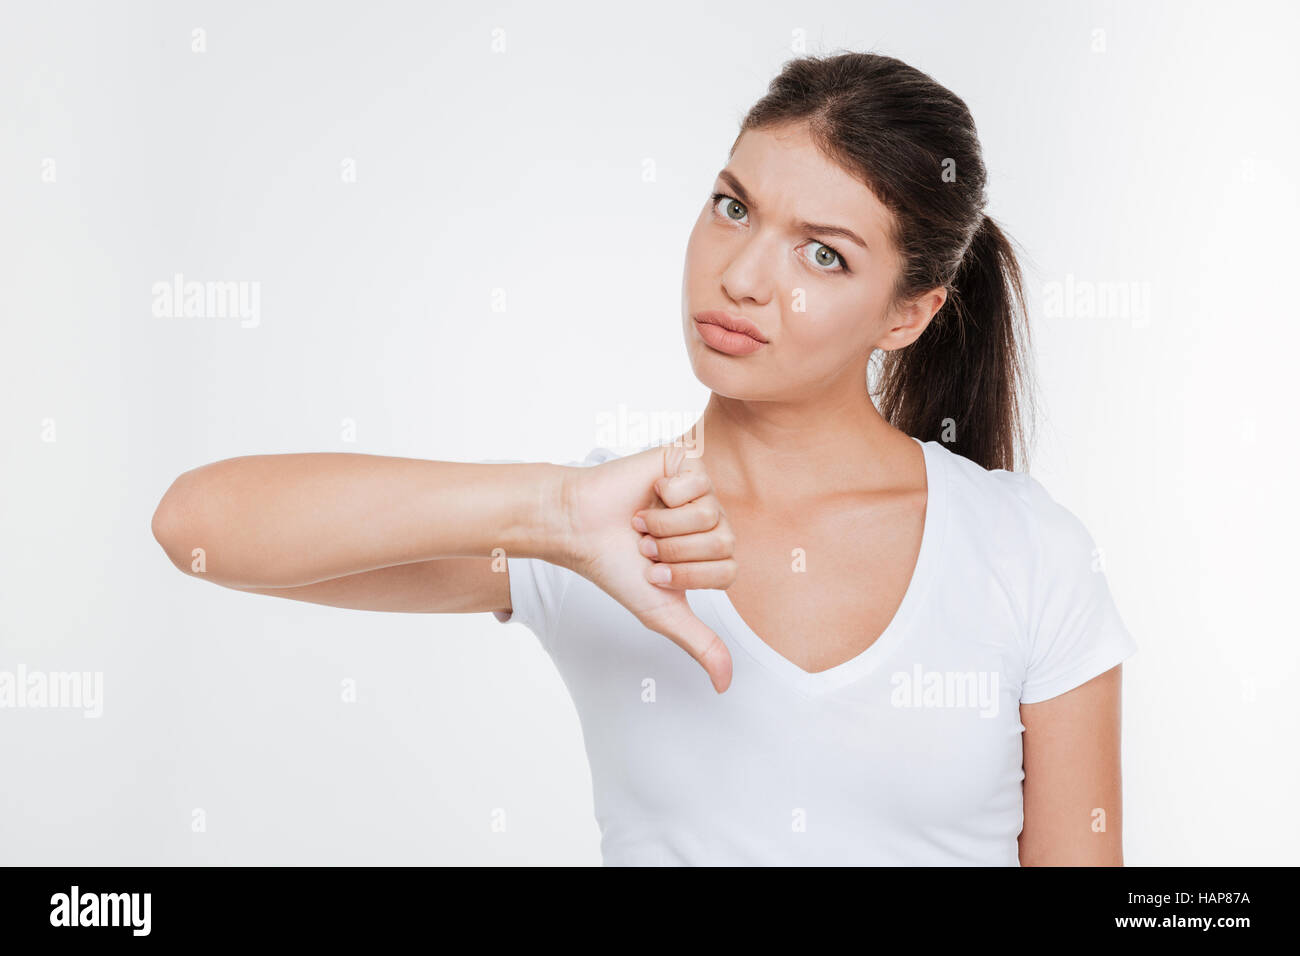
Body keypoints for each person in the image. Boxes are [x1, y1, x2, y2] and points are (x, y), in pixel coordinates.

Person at [152, 51, 1136, 866]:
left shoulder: (1025, 550)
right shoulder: (598, 527)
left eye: (822, 252)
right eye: (732, 205)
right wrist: (551, 514)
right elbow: (195, 527)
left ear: (908, 311)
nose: (741, 274)